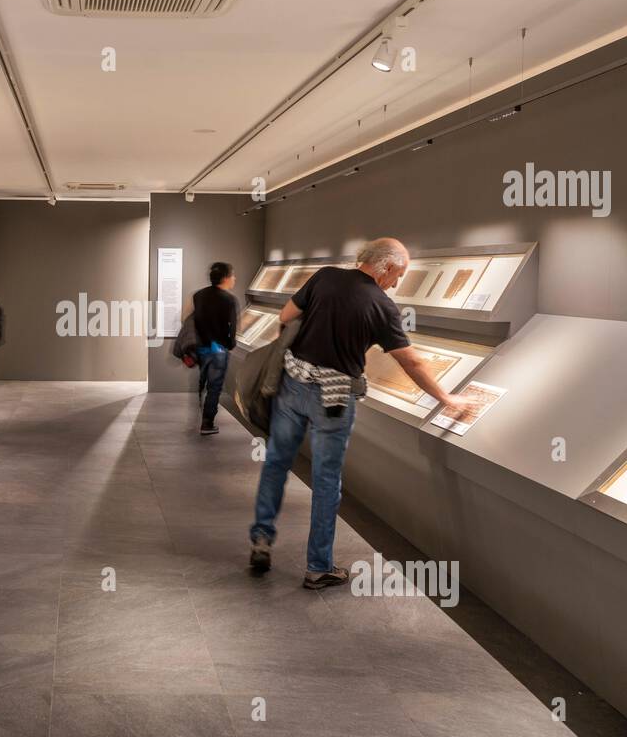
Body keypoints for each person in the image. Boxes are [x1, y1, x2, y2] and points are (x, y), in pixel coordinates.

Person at [249, 237, 473, 590]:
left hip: (293, 385)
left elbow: (287, 315)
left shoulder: (324, 277)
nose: (397, 282)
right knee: (326, 481)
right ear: (384, 266)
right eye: (398, 274)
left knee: (277, 461)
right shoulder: (382, 306)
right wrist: (446, 397)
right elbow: (410, 360)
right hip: (334, 399)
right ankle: (318, 566)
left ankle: (261, 537)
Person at [193, 261, 238, 435]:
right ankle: (207, 422)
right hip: (219, 349)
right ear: (225, 278)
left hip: (202, 347)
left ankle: (200, 411)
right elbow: (232, 328)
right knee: (215, 387)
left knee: (202, 382)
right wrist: (230, 343)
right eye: (232, 275)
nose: (234, 278)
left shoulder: (199, 296)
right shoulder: (229, 299)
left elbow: (195, 321)